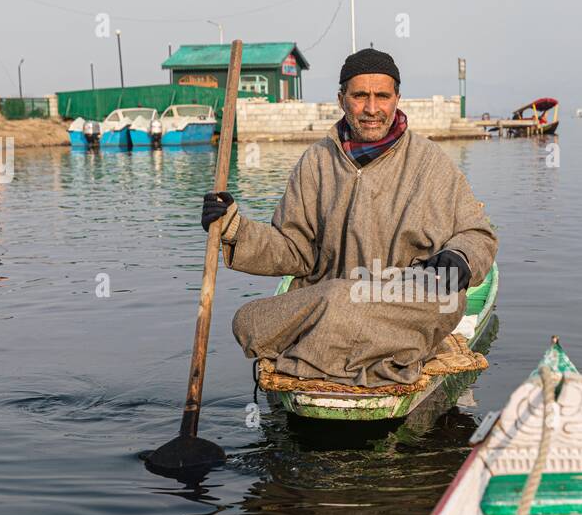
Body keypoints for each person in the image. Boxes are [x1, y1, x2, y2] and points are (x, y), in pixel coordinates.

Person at [201, 48, 497, 387]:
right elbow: (293, 251)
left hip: (402, 301)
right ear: (342, 100)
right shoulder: (316, 163)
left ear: (397, 98)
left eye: (382, 96)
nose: (372, 108)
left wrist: (459, 257)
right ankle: (381, 355)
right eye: (360, 96)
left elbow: (478, 234)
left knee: (446, 299)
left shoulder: (431, 162)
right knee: (248, 321)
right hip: (330, 296)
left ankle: (322, 352)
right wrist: (234, 227)